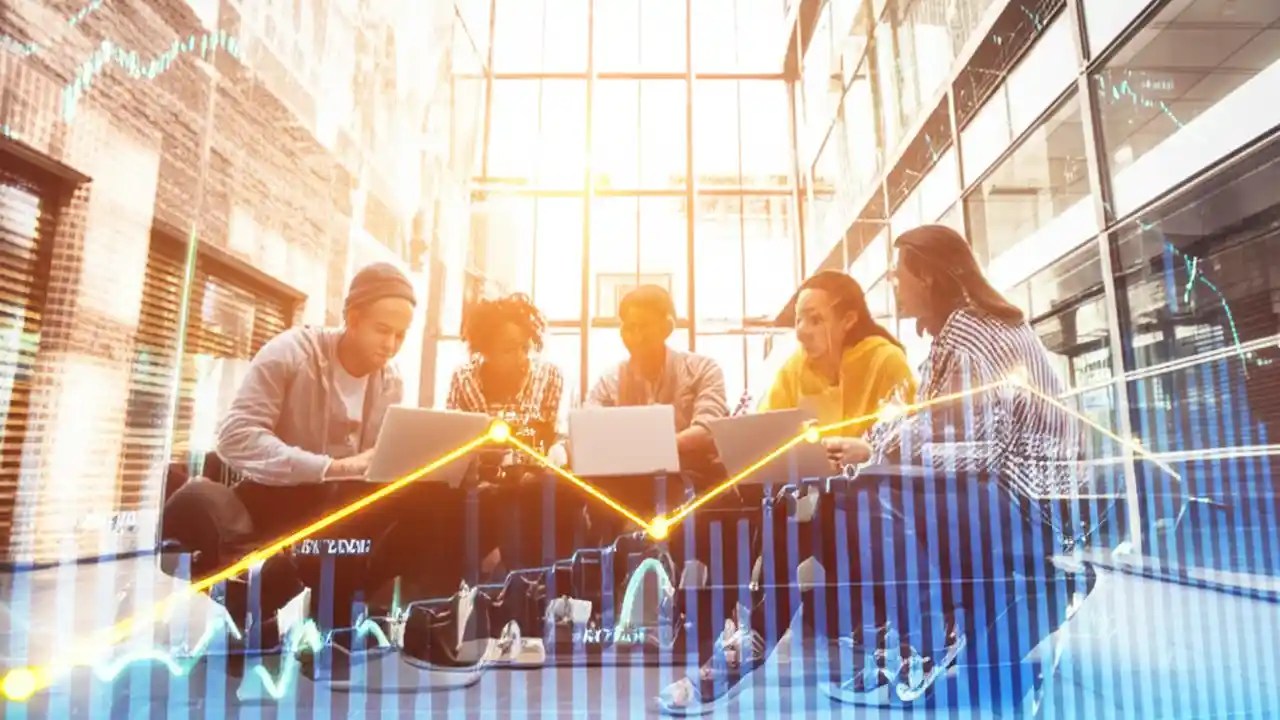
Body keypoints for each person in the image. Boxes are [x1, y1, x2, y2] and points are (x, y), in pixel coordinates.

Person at [658, 226, 1090, 712]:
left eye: (899, 269)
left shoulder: (968, 334)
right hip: (1011, 497)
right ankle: (762, 647)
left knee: (854, 496)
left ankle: (923, 643)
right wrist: (871, 451)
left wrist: (874, 457)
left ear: (925, 276)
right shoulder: (961, 331)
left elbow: (978, 450)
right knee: (803, 505)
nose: (891, 279)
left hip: (1033, 507)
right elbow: (922, 429)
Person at [164, 262, 427, 632]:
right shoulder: (291, 352)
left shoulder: (391, 380)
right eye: (382, 330)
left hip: (337, 510)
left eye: (401, 335)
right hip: (275, 497)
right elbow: (235, 436)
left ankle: (326, 626)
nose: (391, 345)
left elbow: (372, 464)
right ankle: (265, 597)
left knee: (417, 503)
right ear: (352, 318)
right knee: (340, 517)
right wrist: (331, 468)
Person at [446, 293, 570, 573]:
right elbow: (453, 437)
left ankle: (517, 578)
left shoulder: (549, 376)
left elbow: (553, 434)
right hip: (478, 480)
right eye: (508, 349)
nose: (519, 357)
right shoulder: (463, 379)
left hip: (533, 478)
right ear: (484, 349)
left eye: (524, 347)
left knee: (525, 495)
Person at [760, 270, 916, 471]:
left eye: (815, 320)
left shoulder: (885, 361)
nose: (801, 332)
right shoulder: (794, 367)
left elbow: (909, 443)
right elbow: (765, 436)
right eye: (798, 320)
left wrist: (869, 452)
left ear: (848, 320)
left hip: (872, 492)